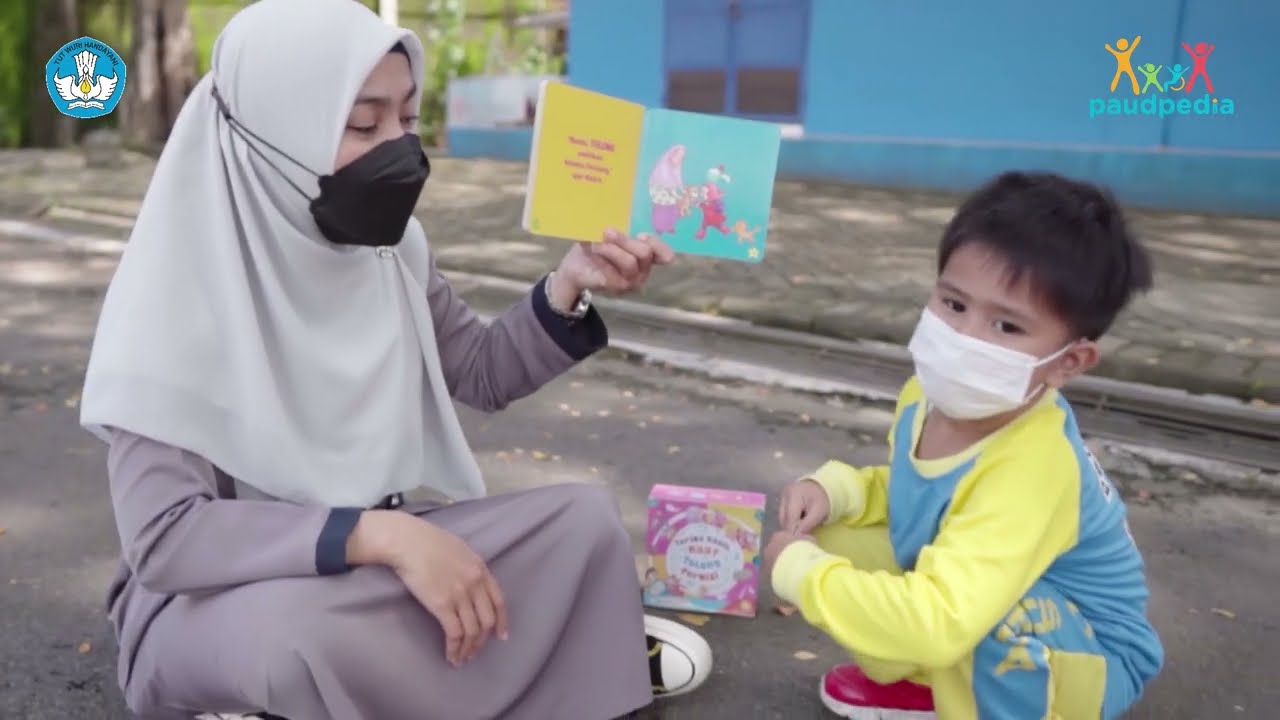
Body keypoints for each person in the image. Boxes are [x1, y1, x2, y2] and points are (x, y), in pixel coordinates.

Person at [79, 1, 711, 718]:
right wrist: (382, 535)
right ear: (272, 131)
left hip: (375, 565)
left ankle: (525, 648)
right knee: (299, 639)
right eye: (361, 123)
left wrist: (569, 286)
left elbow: (479, 369)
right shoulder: (174, 290)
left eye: (407, 120)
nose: (399, 150)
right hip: (226, 597)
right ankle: (562, 645)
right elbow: (168, 539)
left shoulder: (391, 251)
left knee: (585, 523)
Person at [763, 171, 1164, 719]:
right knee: (829, 530)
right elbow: (918, 490)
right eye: (954, 306)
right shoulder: (925, 395)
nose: (964, 340)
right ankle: (933, 687)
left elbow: (946, 617)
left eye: (1006, 326)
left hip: (1083, 656)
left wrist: (801, 574)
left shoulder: (1033, 467)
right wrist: (838, 490)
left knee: (977, 614)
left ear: (1069, 362)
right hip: (1005, 606)